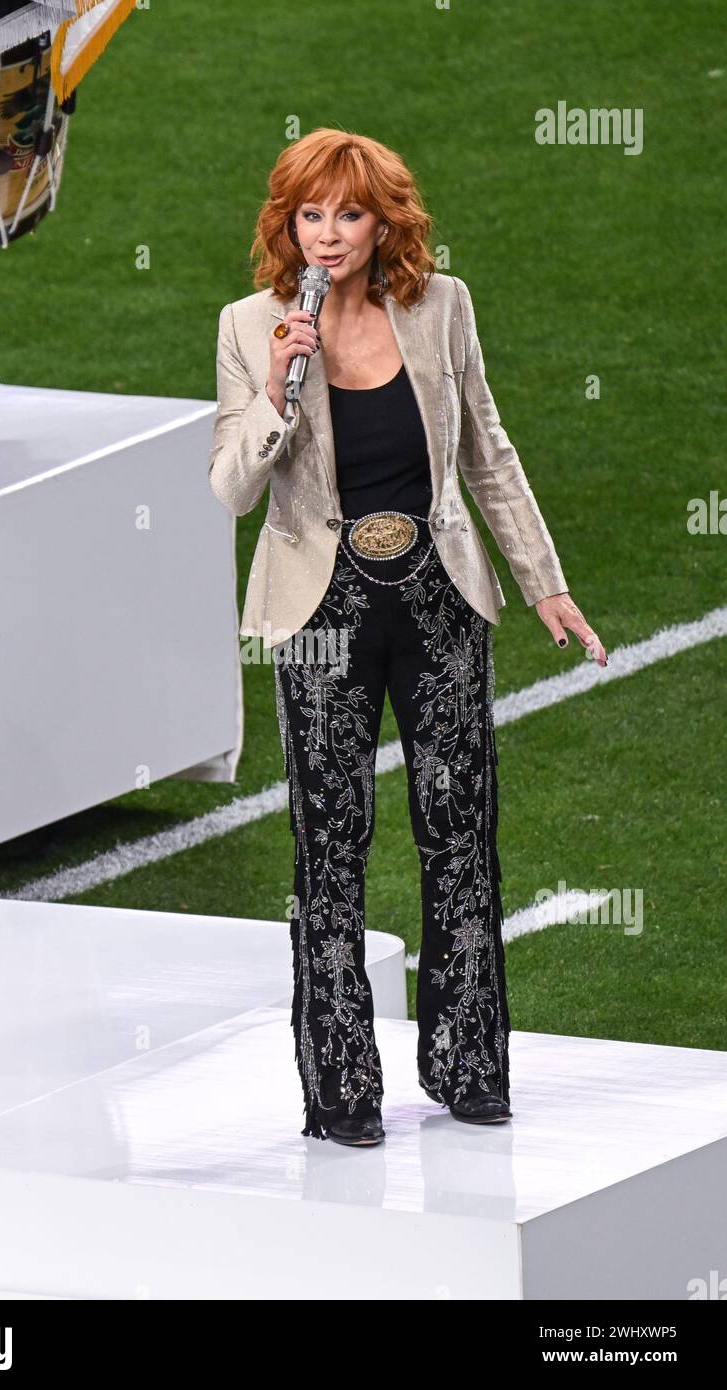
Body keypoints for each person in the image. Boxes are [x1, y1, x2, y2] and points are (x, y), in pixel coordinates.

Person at [208, 127, 607, 1147]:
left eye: (348, 213)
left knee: (459, 833)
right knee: (328, 846)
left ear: (385, 220)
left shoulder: (440, 307)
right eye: (309, 214)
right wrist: (272, 393)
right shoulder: (251, 326)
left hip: (436, 604)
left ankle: (468, 1066)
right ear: (285, 225)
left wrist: (544, 583)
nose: (328, 234)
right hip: (317, 618)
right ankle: (339, 1085)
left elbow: (486, 449)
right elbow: (230, 489)